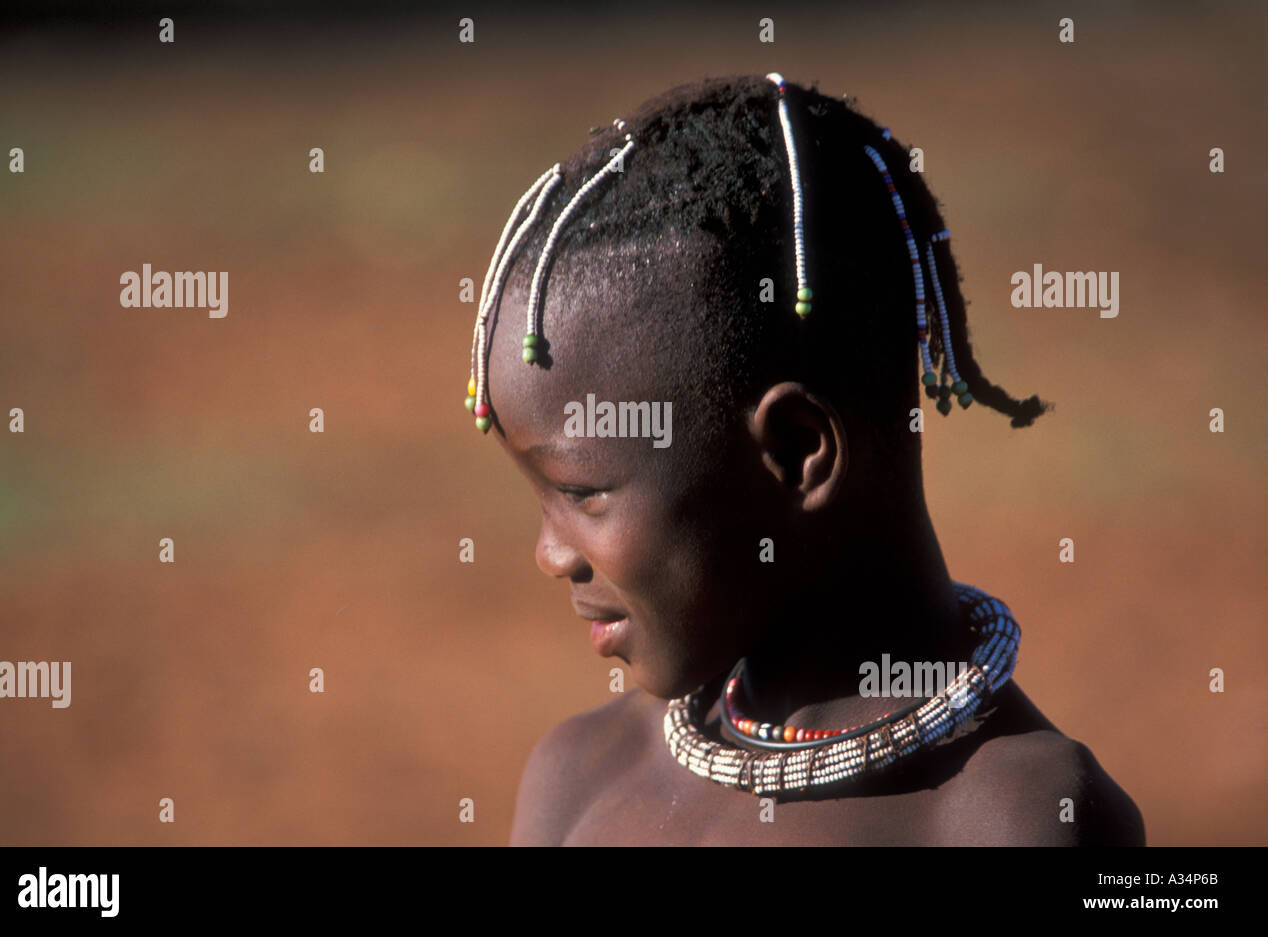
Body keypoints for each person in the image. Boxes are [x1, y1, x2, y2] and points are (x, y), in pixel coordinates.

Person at [463, 74, 1145, 845]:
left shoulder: (1019, 818)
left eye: (580, 491)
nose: (549, 554)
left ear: (797, 452)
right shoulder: (579, 777)